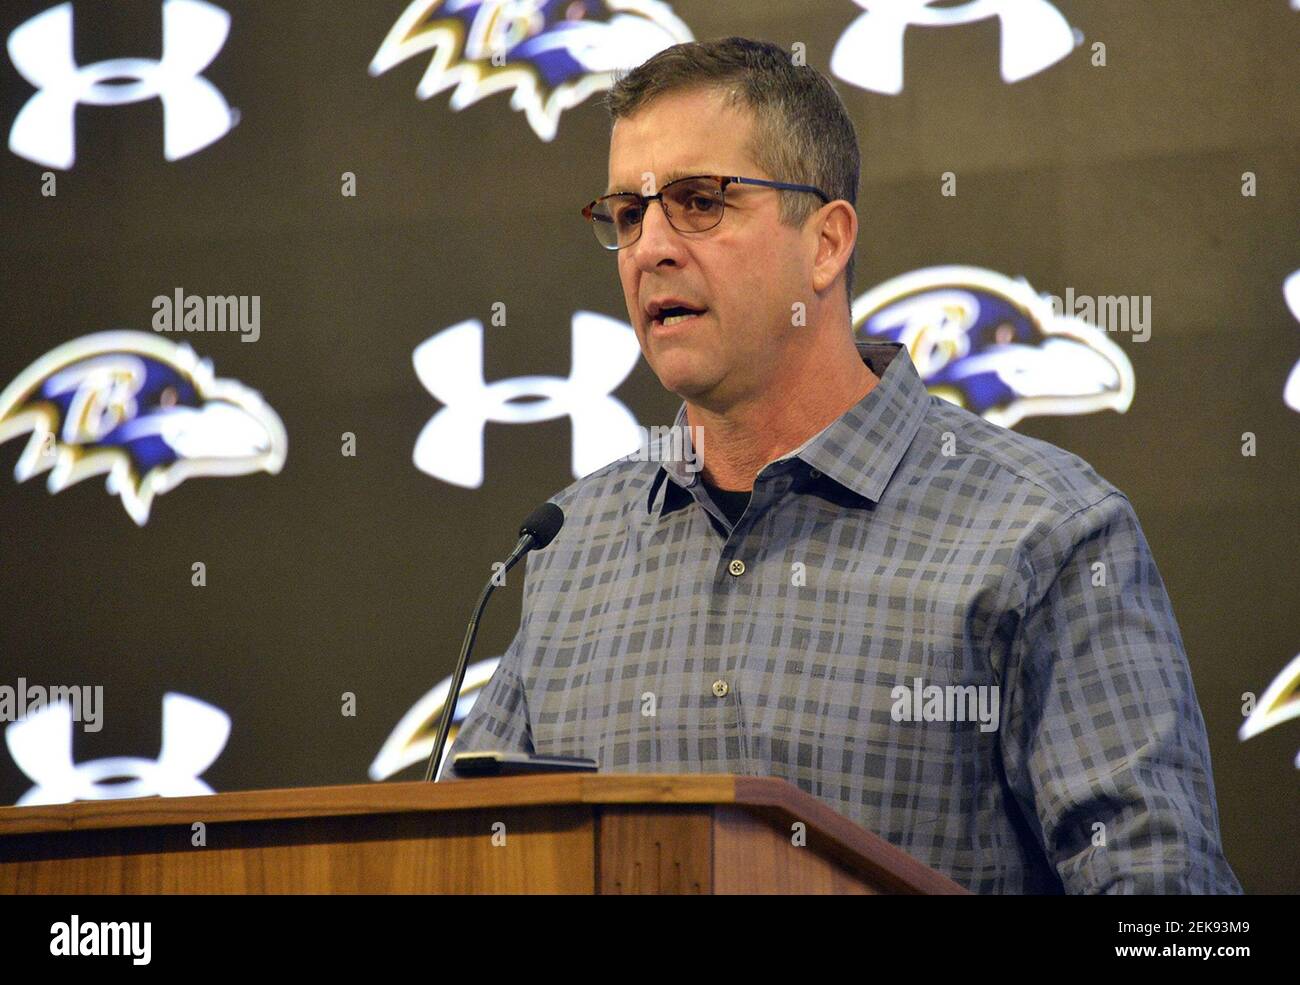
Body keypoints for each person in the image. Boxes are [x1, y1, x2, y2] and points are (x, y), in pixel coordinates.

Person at [448, 37, 1240, 894]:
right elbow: (450, 865)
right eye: (629, 215)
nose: (650, 249)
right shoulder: (571, 547)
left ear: (826, 243)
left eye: (700, 202)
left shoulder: (1044, 533)